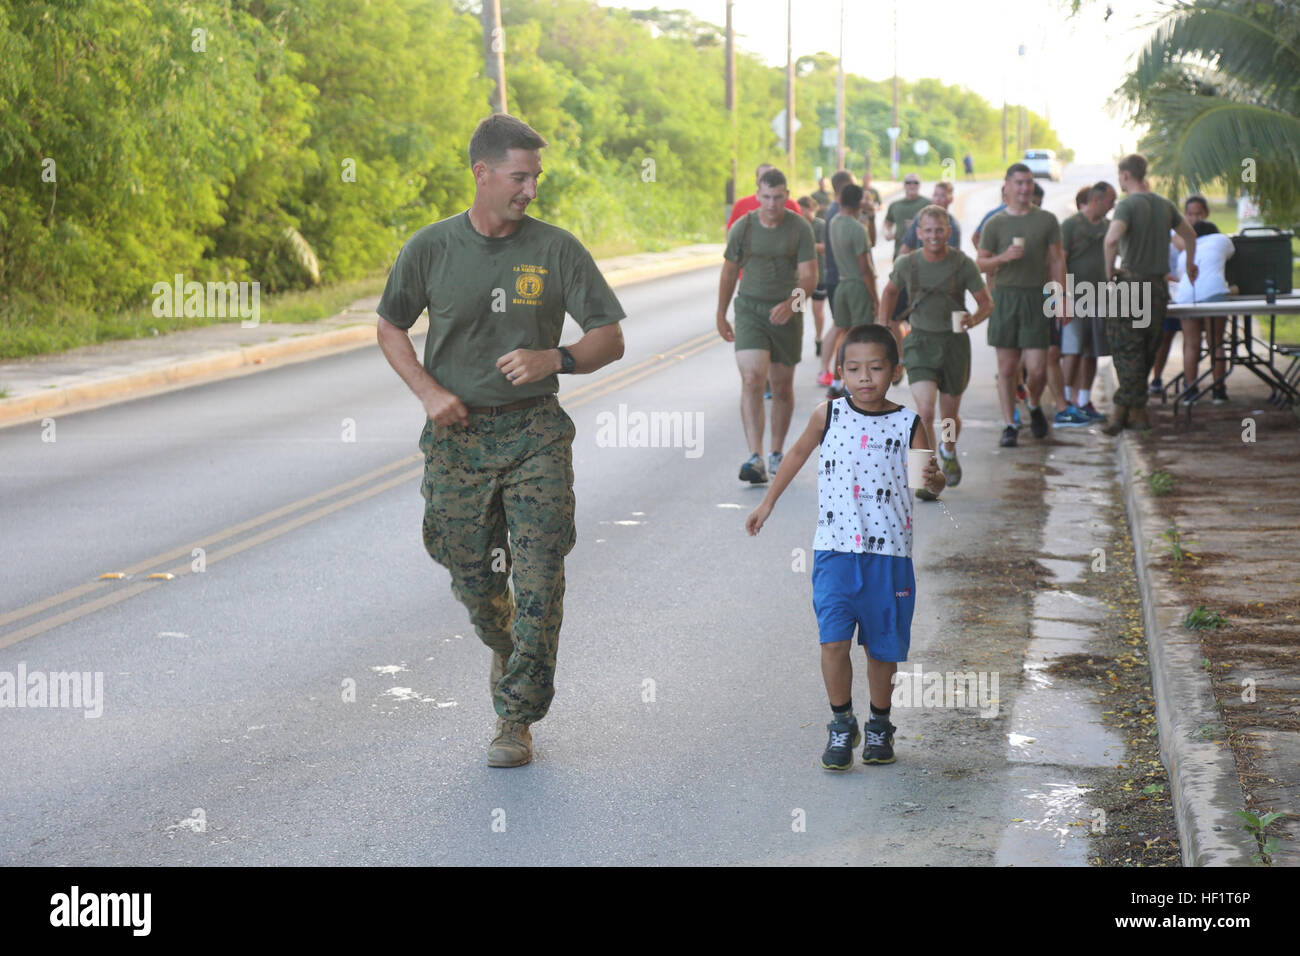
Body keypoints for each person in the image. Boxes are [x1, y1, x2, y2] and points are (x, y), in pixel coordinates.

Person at [376, 113, 626, 768]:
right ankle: (506, 643)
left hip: (535, 433)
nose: (530, 191)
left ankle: (515, 716)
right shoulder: (430, 248)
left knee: (540, 575)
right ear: (482, 175)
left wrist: (558, 360)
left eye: (535, 178)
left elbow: (610, 335)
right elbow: (389, 327)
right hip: (457, 439)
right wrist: (429, 393)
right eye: (519, 177)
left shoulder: (556, 249)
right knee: (472, 579)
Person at [745, 324, 945, 770]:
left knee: (881, 649)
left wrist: (936, 478)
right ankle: (841, 724)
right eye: (853, 368)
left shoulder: (909, 423)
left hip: (889, 557)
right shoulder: (828, 415)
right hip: (834, 552)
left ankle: (879, 724)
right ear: (840, 372)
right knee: (832, 642)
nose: (864, 377)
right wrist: (767, 503)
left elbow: (925, 480)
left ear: (895, 371)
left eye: (875, 368)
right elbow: (796, 455)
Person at [879, 204, 993, 499]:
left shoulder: (962, 264)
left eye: (939, 230)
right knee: (926, 411)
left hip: (954, 344)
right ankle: (928, 476)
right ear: (918, 233)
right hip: (920, 343)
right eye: (927, 231)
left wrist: (973, 319)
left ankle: (949, 449)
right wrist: (883, 327)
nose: (934, 236)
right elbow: (889, 292)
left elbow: (986, 303)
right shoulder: (908, 264)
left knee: (949, 417)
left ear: (948, 232)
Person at [717, 167, 817, 483]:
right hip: (749, 310)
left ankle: (776, 451)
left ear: (786, 195)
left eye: (778, 197)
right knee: (752, 378)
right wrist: (721, 314)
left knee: (782, 385)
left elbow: (809, 277)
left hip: (787, 312)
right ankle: (755, 456)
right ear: (757, 196)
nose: (772, 204)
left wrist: (792, 305)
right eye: (766, 197)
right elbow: (729, 273)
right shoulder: (743, 229)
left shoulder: (799, 228)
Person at [1101, 153, 1197, 434]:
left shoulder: (1127, 205)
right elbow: (1190, 236)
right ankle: (1133, 412)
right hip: (1157, 289)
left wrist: (1108, 273)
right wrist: (1190, 265)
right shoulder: (1165, 205)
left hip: (1131, 285)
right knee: (1145, 351)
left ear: (1126, 176)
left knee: (1125, 350)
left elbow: (1111, 239)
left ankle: (1126, 411)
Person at [976, 163, 1068, 447]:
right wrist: (1003, 258)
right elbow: (981, 262)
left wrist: (1061, 297)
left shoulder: (1046, 220)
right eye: (1019, 183)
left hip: (1036, 298)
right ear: (1007, 186)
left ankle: (1034, 402)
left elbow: (1056, 260)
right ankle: (1009, 424)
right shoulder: (994, 224)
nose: (1025, 188)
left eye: (1028, 182)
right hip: (1004, 297)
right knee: (1006, 369)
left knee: (1038, 369)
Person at [1058, 181, 1117, 423]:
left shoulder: (1109, 226)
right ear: (1097, 200)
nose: (1113, 205)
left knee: (1093, 348)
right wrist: (1062, 296)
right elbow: (1059, 260)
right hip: (1074, 295)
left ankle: (1084, 399)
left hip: (1100, 295)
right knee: (1072, 349)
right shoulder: (1071, 225)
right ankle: (1065, 401)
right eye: (1110, 201)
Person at [824, 185, 881, 396]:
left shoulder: (834, 222)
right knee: (859, 339)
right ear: (858, 202)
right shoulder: (857, 229)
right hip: (857, 286)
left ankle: (836, 383)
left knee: (845, 336)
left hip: (841, 284)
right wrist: (876, 299)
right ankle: (850, 385)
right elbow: (865, 268)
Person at [1150, 195, 1210, 394]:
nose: (1194, 218)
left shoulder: (1208, 236)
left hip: (1194, 296)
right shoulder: (1167, 238)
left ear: (1206, 214)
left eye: (1198, 214)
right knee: (1164, 337)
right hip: (1171, 295)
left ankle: (1189, 381)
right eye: (1190, 214)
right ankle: (1157, 378)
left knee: (1191, 340)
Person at [1171, 219, 1235, 402]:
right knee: (1216, 342)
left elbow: (1181, 275)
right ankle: (1219, 390)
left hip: (1186, 296)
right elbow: (1231, 257)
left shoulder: (1185, 252)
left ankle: (1190, 390)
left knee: (1191, 344)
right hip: (1214, 292)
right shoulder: (1222, 240)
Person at [819, 170, 857, 390]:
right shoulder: (837, 214)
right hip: (840, 278)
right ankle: (832, 375)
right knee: (844, 329)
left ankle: (830, 373)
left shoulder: (834, 212)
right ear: (842, 188)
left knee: (841, 327)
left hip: (835, 277)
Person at [797, 195, 830, 367]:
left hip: (819, 277)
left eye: (806, 209)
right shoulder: (795, 226)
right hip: (799, 279)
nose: (803, 213)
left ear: (813, 209)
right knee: (797, 311)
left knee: (817, 311)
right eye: (800, 209)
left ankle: (819, 338)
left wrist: (808, 245)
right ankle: (795, 342)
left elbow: (825, 247)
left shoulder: (820, 225)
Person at [727, 162, 802, 228]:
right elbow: (731, 235)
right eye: (764, 177)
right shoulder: (741, 205)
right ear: (757, 181)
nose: (772, 204)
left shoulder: (792, 205)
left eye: (773, 176)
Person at [901, 181, 962, 252]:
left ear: (950, 199)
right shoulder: (920, 218)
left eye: (943, 196)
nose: (938, 199)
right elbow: (907, 246)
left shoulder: (953, 226)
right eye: (935, 195)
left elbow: (954, 256)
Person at [884, 174, 930, 263]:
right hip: (900, 253)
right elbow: (887, 222)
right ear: (904, 185)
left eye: (915, 183)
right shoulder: (895, 205)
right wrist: (888, 232)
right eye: (908, 183)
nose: (912, 185)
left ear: (919, 185)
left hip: (922, 255)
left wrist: (917, 225)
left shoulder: (928, 204)